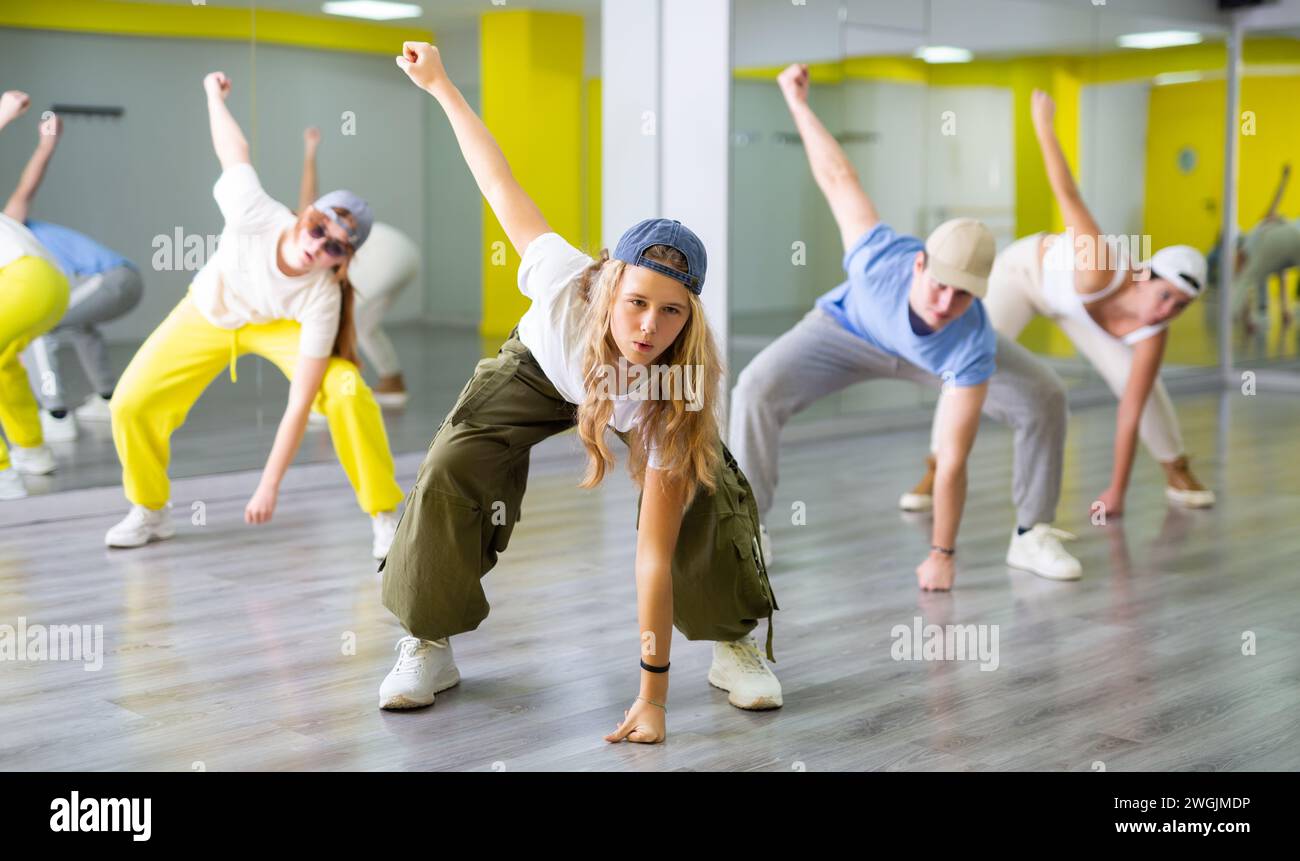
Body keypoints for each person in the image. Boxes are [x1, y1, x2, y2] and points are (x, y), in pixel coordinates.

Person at [378, 43, 782, 744]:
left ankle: (731, 640)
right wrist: (441, 84)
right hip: (543, 368)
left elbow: (651, 552)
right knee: (451, 465)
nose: (649, 326)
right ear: (608, 283)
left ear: (690, 317)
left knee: (708, 491)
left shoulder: (675, 387)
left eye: (671, 311)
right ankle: (428, 640)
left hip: (639, 405)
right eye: (636, 303)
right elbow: (497, 179)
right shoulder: (563, 280)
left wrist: (652, 695)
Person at [730, 65, 1081, 589]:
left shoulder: (970, 340)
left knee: (1044, 393)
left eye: (964, 294)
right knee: (756, 387)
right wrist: (797, 102)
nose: (946, 302)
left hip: (935, 361)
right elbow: (837, 176)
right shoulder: (878, 259)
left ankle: (1032, 534)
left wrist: (942, 553)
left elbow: (954, 459)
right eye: (939, 284)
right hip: (845, 333)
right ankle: (748, 527)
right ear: (919, 264)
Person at [103, 72, 404, 559]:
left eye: (335, 248)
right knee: (129, 404)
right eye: (317, 229)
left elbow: (299, 402)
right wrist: (211, 95)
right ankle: (150, 510)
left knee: (347, 391)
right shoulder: (254, 212)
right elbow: (233, 151)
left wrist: (269, 485)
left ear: (343, 259)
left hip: (280, 325)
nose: (318, 247)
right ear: (307, 215)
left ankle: (385, 514)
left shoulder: (323, 295)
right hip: (211, 310)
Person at [902, 89, 1214, 515]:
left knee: (1144, 388)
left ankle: (1176, 469)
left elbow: (1129, 411)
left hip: (1073, 308)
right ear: (1144, 276)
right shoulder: (1100, 264)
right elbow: (1067, 194)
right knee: (964, 361)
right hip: (1024, 275)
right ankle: (936, 469)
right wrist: (1044, 124)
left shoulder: (1153, 331)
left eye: (1180, 306)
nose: (1166, 312)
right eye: (1165, 296)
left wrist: (1116, 493)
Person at [3, 112, 143, 442]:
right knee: (79, 325)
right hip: (121, 281)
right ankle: (108, 398)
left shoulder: (8, 224)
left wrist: (46, 145)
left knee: (40, 328)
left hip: (108, 278)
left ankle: (55, 414)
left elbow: (27, 187)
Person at [299, 126, 420, 408]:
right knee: (364, 324)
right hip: (403, 252)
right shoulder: (314, 240)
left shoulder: (307, 228)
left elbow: (309, 195)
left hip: (385, 251)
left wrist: (310, 150)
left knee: (341, 319)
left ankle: (327, 397)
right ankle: (393, 384)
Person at [0, 90, 70, 499]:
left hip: (21, 279)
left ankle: (4, 476)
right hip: (50, 283)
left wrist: (4, 113)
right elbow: (24, 190)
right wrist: (46, 144)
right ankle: (31, 450)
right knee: (5, 362)